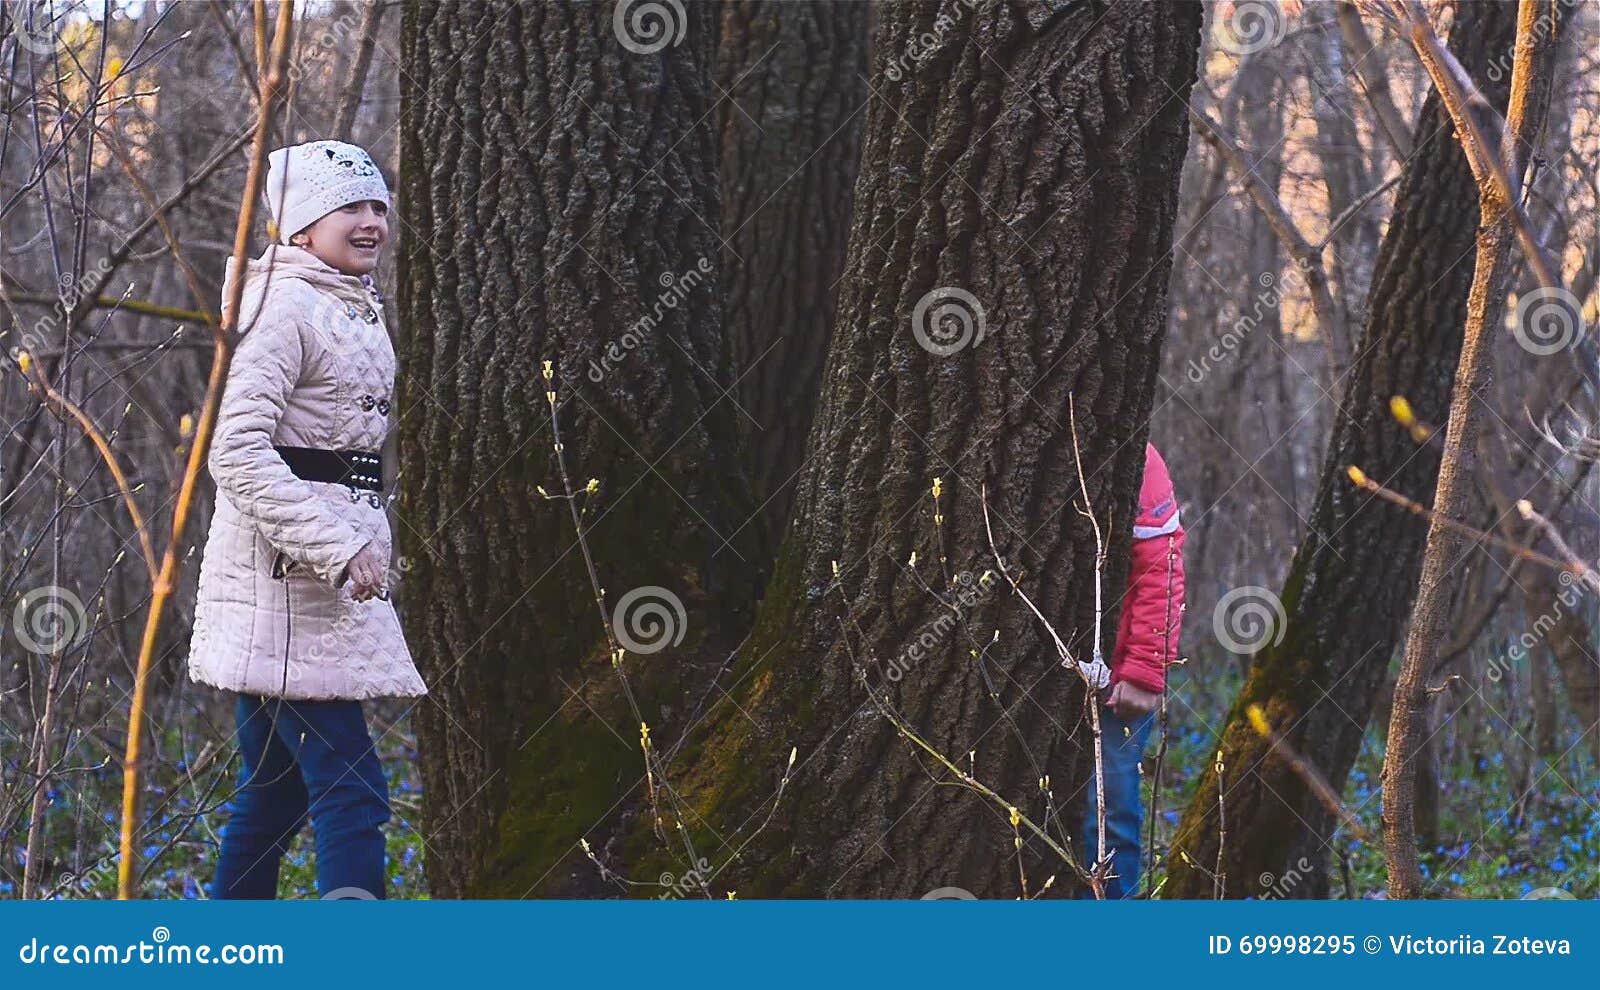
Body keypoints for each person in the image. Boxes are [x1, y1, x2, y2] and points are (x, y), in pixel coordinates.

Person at [188, 140, 427, 899]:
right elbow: (235, 449)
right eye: (348, 208)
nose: (370, 223)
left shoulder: (343, 303)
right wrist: (337, 545)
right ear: (300, 226)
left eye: (377, 207)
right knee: (351, 787)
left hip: (317, 581)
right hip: (287, 581)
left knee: (276, 791)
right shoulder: (284, 306)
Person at [1081, 441, 1186, 899]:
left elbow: (1160, 567)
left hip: (1117, 682)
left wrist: (1143, 672)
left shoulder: (1135, 455)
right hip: (1036, 671)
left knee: (1108, 813)